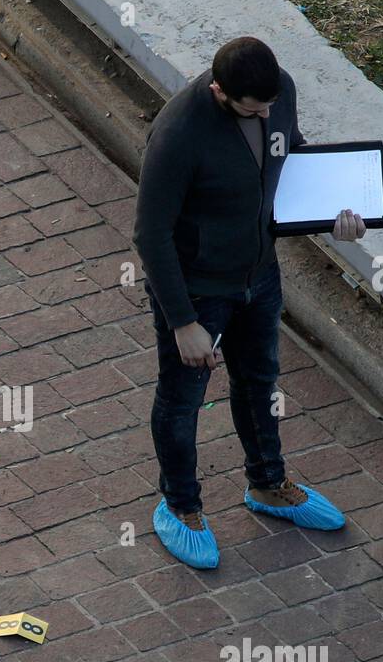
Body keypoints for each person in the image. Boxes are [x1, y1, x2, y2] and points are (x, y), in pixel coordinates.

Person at [132, 36, 365, 569]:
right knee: (182, 400)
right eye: (252, 108)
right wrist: (183, 322)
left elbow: (292, 161)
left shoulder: (277, 92)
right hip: (198, 291)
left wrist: (336, 216)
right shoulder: (178, 134)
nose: (266, 113)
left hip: (259, 276)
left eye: (269, 103)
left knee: (260, 383)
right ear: (219, 91)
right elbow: (150, 234)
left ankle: (267, 483)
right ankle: (181, 505)